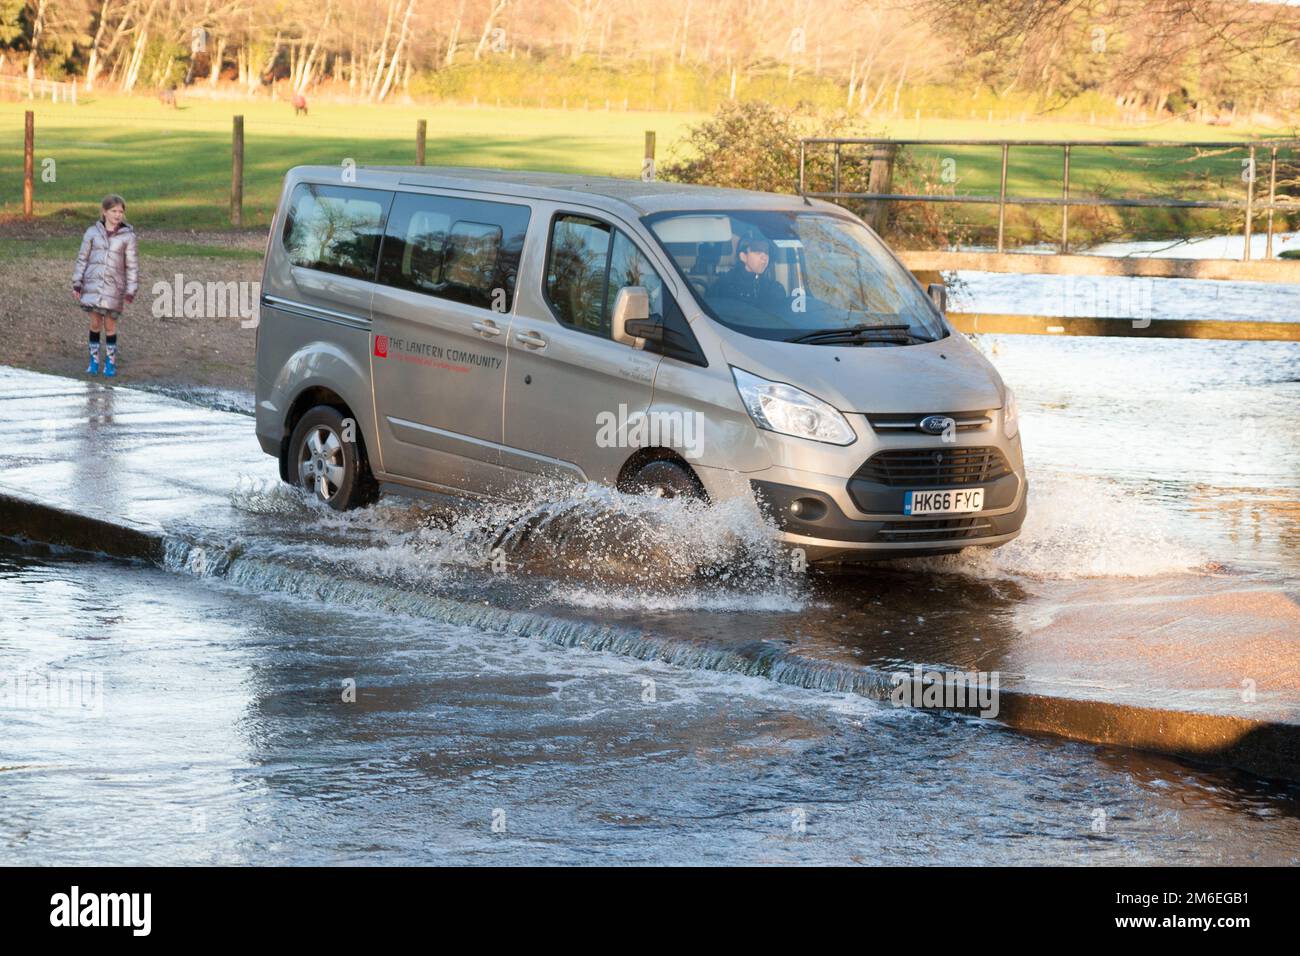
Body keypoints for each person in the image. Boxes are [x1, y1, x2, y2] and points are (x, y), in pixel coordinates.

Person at [73, 194, 138, 378]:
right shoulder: (91, 233)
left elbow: (132, 265)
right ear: (104, 212)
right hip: (92, 286)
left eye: (121, 212)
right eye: (114, 211)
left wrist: (131, 289)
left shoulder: (128, 237)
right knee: (95, 323)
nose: (118, 215)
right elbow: (82, 259)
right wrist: (77, 283)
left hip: (114, 288)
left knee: (110, 325)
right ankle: (93, 361)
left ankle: (110, 362)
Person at [711, 236, 788, 309]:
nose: (764, 257)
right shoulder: (723, 286)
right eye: (758, 251)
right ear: (743, 256)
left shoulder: (774, 289)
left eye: (766, 252)